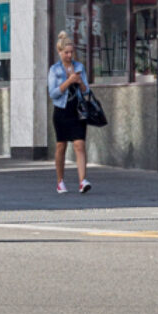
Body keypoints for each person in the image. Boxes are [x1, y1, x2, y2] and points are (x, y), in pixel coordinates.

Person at [47, 32, 90, 195]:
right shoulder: (54, 70)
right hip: (61, 110)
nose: (69, 55)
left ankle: (82, 181)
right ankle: (60, 181)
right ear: (60, 52)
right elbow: (53, 93)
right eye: (66, 52)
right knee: (61, 146)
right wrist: (69, 81)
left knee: (80, 144)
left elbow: (87, 90)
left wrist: (80, 83)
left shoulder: (79, 67)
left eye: (72, 52)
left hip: (77, 110)